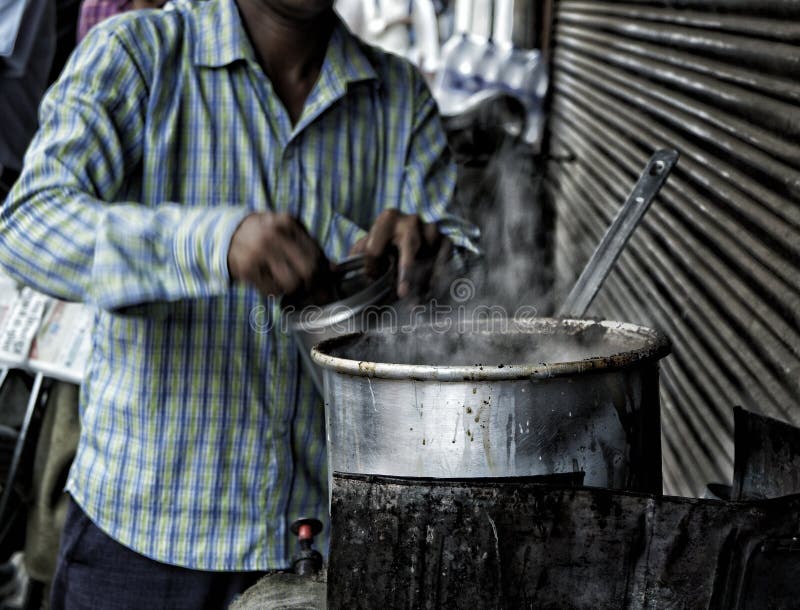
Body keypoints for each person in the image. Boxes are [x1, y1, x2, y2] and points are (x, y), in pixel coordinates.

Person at [0, 0, 477, 606]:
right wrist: (210, 242)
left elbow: (466, 287)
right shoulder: (138, 56)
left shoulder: (399, 97)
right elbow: (27, 225)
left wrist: (434, 263)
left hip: (323, 547)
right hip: (141, 547)